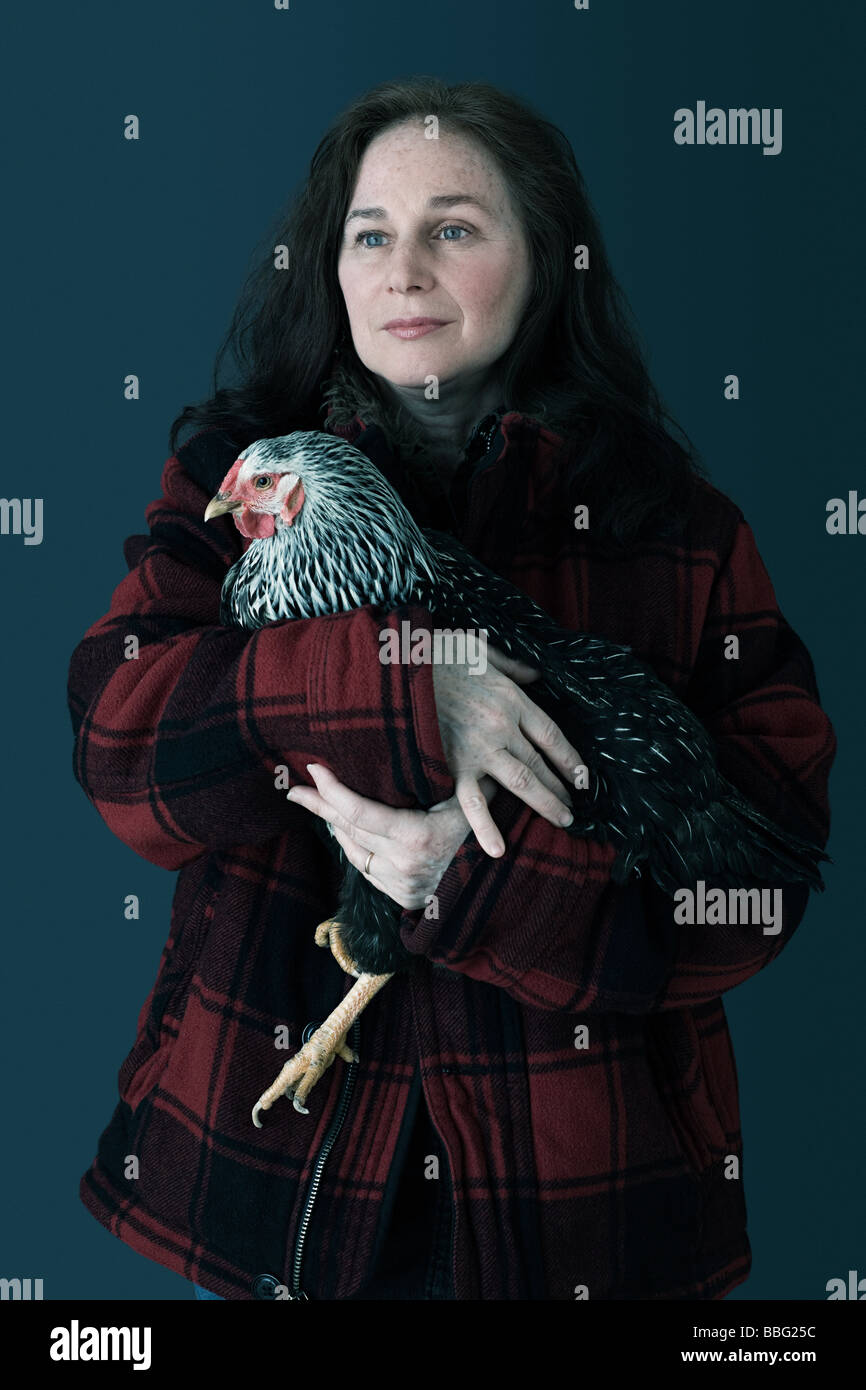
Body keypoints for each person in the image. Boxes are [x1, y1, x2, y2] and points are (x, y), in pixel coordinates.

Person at [67, 77, 835, 1302]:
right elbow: (121, 750)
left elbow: (758, 886)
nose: (402, 268)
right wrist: (408, 688)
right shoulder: (235, 481)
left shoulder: (678, 532)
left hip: (580, 1202)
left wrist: (474, 882)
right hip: (271, 1184)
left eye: (455, 227)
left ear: (547, 259)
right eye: (369, 233)